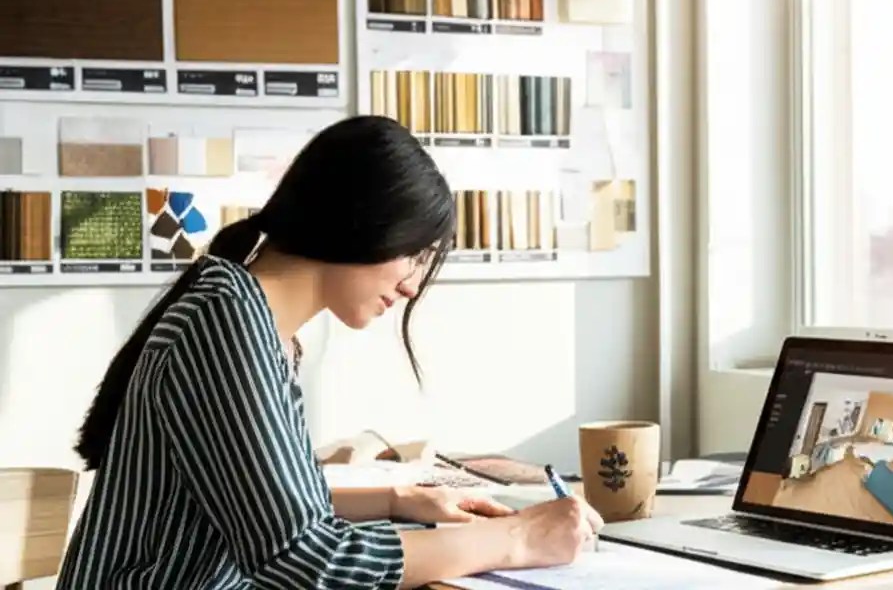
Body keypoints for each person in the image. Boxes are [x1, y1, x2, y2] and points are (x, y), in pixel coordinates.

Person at [57, 116, 603, 589]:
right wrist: (517, 537)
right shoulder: (227, 324)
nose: (412, 285)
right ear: (361, 223)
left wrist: (396, 499)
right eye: (413, 255)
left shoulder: (247, 317)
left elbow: (259, 498)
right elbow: (307, 562)